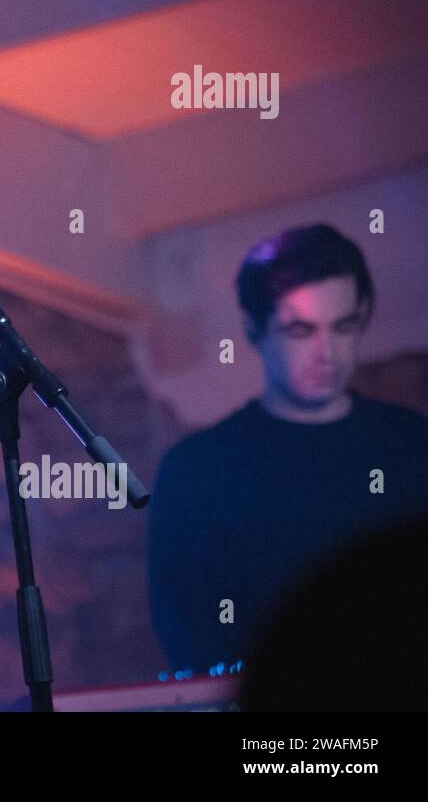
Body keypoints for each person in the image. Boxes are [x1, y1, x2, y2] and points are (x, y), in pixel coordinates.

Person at [147, 223, 428, 674]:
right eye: (301, 331)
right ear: (255, 329)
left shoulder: (411, 444)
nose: (328, 353)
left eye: (344, 326)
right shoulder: (198, 470)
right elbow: (191, 641)